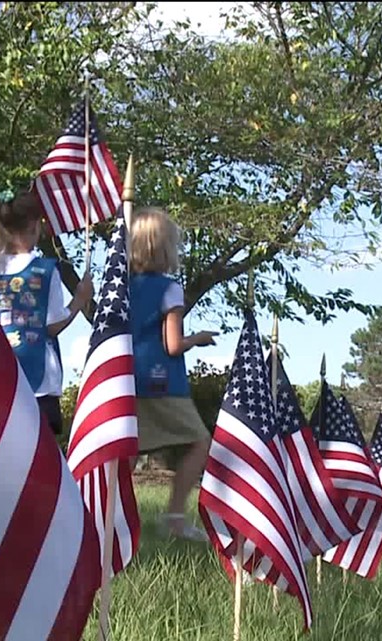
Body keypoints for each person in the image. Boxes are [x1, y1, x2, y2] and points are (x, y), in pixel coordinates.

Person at [128, 206, 218, 542]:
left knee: (128, 452)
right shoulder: (170, 289)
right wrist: (199, 338)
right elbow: (173, 344)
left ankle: (109, 518)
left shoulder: (122, 287)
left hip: (126, 379)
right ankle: (176, 519)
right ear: (165, 247)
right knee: (200, 442)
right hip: (161, 381)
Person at [0, 188, 93, 436]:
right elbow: (53, 325)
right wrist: (80, 300)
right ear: (33, 226)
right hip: (39, 380)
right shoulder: (44, 270)